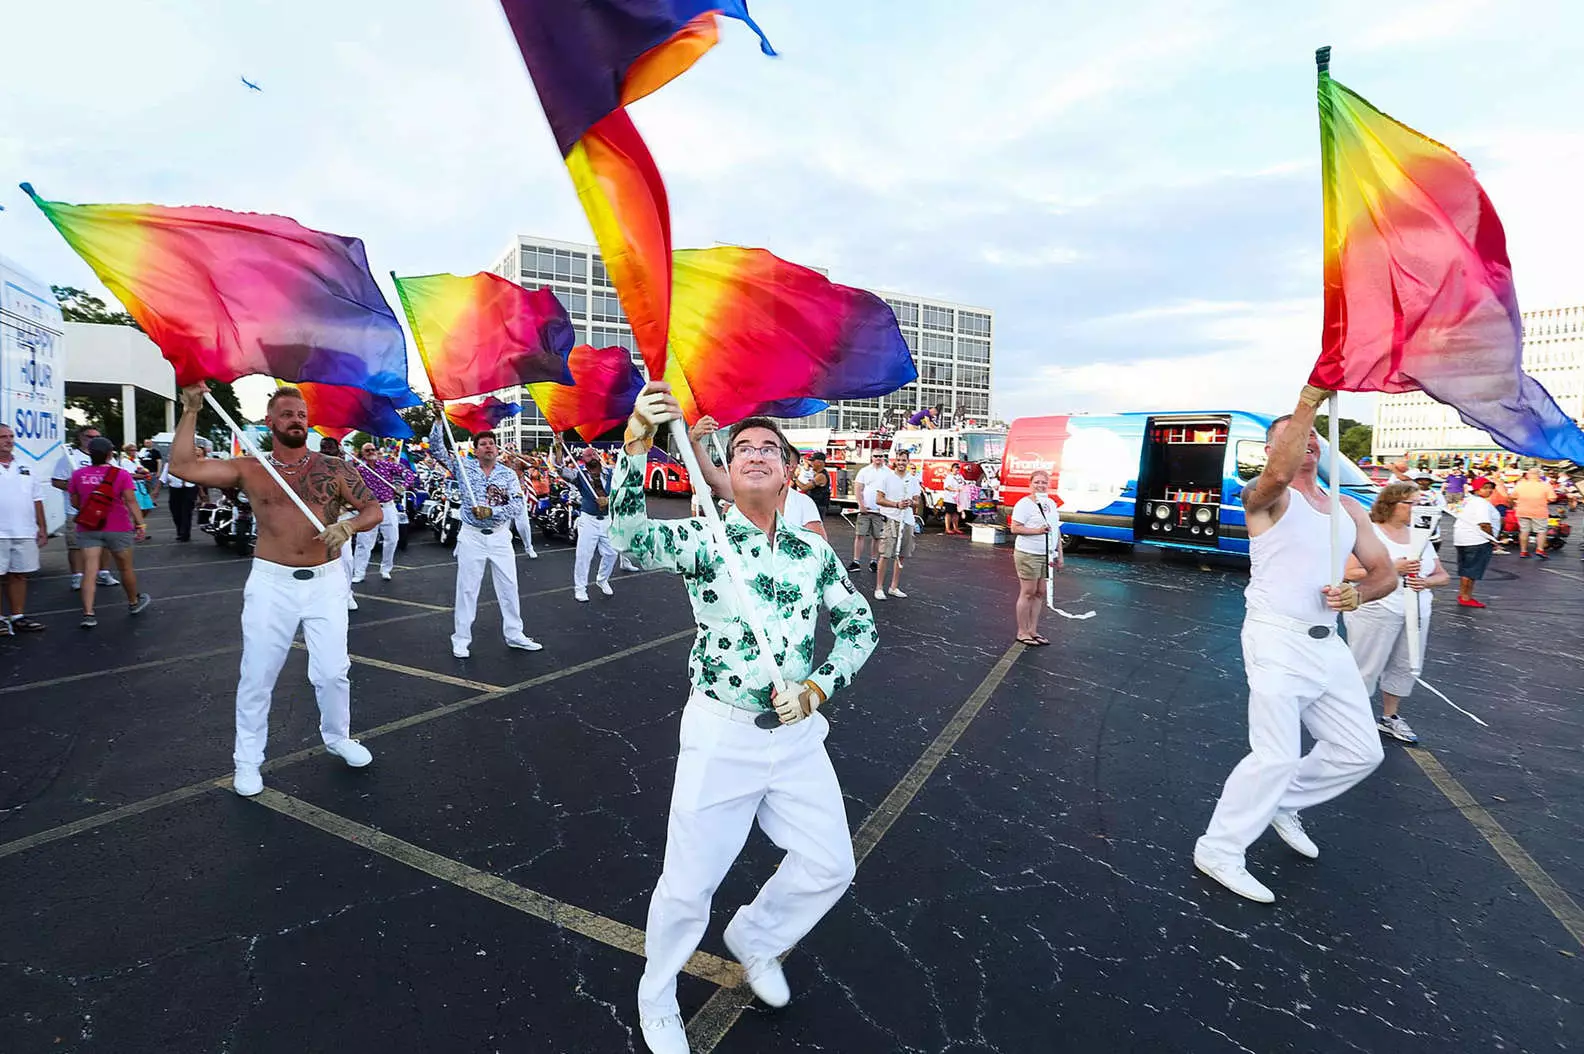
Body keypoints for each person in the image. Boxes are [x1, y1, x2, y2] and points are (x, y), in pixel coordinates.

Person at [611, 381, 876, 1054]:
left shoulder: (811, 551)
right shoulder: (705, 539)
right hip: (720, 733)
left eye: (769, 447)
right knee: (690, 884)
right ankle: (658, 991)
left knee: (830, 864)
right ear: (727, 470)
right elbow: (630, 539)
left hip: (794, 736)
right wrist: (639, 436)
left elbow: (860, 628)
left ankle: (757, 935)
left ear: (791, 471)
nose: (755, 453)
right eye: (742, 447)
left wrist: (817, 689)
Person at [1192, 385, 1396, 904]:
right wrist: (1309, 402)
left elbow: (1385, 575)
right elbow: (1280, 474)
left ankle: (1282, 803)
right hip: (1276, 636)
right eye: (1292, 438)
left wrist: (1357, 592)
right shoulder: (1265, 498)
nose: (1306, 444)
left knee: (1360, 751)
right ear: (1270, 451)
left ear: (1321, 449)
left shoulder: (1347, 508)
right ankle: (1219, 849)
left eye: (1310, 439)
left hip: (1330, 643)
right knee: (1277, 754)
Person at [170, 384, 383, 797]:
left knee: (333, 672)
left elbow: (373, 508)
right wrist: (191, 411)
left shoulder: (333, 467)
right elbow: (182, 467)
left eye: (301, 414)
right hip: (272, 583)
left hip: (325, 582)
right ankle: (247, 762)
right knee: (257, 675)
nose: (296, 420)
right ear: (270, 423)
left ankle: (338, 737)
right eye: (286, 414)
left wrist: (349, 526)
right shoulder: (251, 468)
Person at [1343, 483, 1450, 745]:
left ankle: (1390, 717)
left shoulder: (1420, 536)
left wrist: (1426, 582)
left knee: (1405, 664)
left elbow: (1442, 575)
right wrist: (1393, 568)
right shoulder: (1371, 534)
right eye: (1410, 503)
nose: (1416, 509)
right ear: (1391, 504)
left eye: (1418, 503)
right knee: (1365, 665)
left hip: (1416, 610)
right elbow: (1350, 572)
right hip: (1377, 608)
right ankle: (1350, 720)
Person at [428, 421, 542, 658]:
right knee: (468, 589)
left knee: (509, 586)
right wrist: (439, 420)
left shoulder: (508, 474)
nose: (489, 447)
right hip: (472, 537)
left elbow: (517, 504)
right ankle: (461, 639)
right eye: (483, 444)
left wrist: (493, 513)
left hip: (500, 536)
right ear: (475, 449)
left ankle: (515, 634)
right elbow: (437, 449)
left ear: (497, 448)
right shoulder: (463, 467)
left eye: (492, 443)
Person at [687, 417, 828, 540]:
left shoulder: (803, 503)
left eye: (768, 451)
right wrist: (694, 442)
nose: (757, 458)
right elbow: (712, 476)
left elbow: (821, 549)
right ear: (731, 468)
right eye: (745, 450)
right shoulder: (740, 494)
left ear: (787, 469)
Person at [67, 437, 152, 628]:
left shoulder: (78, 474)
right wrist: (140, 524)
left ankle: (89, 613)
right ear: (109, 454)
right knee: (125, 568)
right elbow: (130, 501)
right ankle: (133, 602)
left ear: (89, 453)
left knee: (89, 570)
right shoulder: (121, 474)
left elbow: (74, 502)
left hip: (89, 527)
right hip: (118, 526)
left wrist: (90, 509)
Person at [52, 426, 118, 590]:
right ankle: (77, 576)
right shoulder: (69, 457)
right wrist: (78, 487)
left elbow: (118, 478)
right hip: (77, 510)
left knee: (105, 543)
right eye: (89, 436)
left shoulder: (108, 457)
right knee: (75, 545)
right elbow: (56, 481)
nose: (93, 439)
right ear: (80, 437)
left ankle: (103, 573)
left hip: (103, 509)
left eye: (97, 436)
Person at [0, 423, 50, 636]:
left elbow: (37, 499)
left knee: (19, 575)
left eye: (11, 436)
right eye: (3, 436)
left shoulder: (26, 465)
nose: (9, 440)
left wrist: (42, 527)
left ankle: (18, 616)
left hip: (24, 531)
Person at [350, 441, 416, 583]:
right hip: (369, 509)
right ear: (363, 454)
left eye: (373, 449)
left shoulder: (386, 465)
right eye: (367, 450)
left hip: (388, 507)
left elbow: (409, 473)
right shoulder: (359, 470)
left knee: (392, 539)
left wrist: (402, 486)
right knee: (364, 542)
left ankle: (386, 569)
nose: (371, 452)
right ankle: (359, 573)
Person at [1009, 468, 1061, 646]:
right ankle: (1022, 631)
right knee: (1028, 592)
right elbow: (1015, 528)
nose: (1040, 485)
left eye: (1044, 482)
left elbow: (1056, 529)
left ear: (1049, 484)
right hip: (1028, 553)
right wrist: (1036, 531)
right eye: (1037, 482)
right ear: (1030, 484)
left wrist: (1059, 554)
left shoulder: (1051, 504)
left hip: (1045, 554)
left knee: (1040, 592)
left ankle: (1033, 630)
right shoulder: (1024, 504)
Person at [560, 447, 617, 602]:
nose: (591, 456)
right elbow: (560, 469)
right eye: (587, 455)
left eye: (593, 453)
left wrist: (608, 500)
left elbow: (620, 493)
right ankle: (580, 589)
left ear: (598, 456)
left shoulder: (611, 473)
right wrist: (559, 448)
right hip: (588, 520)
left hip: (607, 520)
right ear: (583, 460)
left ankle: (602, 579)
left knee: (612, 553)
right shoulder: (580, 476)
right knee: (583, 556)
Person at [874, 449, 919, 600]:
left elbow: (917, 500)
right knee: (885, 554)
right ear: (895, 461)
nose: (901, 463)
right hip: (891, 519)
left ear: (908, 461)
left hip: (907, 521)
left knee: (901, 555)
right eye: (899, 460)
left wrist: (911, 502)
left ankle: (894, 587)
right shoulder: (887, 478)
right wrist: (896, 504)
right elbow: (879, 499)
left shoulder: (912, 479)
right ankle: (879, 588)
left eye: (904, 460)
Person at [1452, 478, 1499, 608]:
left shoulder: (1468, 500)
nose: (1489, 490)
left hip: (1463, 538)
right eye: (1485, 487)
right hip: (1477, 539)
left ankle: (1463, 595)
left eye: (1490, 487)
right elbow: (1484, 523)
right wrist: (1493, 539)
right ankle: (1466, 597)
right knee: (1471, 570)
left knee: (1466, 569)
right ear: (1477, 489)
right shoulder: (1481, 503)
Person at [848, 451, 890, 572]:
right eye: (876, 456)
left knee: (877, 537)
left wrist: (886, 507)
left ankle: (874, 561)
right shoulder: (864, 471)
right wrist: (861, 504)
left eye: (880, 456)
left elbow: (890, 490)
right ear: (871, 457)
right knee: (859, 535)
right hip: (865, 509)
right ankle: (856, 562)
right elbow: (858, 488)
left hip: (880, 510)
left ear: (884, 458)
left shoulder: (888, 473)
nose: (878, 458)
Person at [160, 437, 208, 542]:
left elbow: (196, 478)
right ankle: (179, 530)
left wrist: (201, 493)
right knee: (175, 511)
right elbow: (163, 478)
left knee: (186, 511)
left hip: (190, 489)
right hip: (175, 489)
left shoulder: (193, 463)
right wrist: (155, 491)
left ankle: (185, 534)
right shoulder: (170, 464)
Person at [502, 446, 540, 559]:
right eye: (507, 448)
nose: (509, 449)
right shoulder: (499, 461)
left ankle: (528, 547)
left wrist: (518, 455)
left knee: (523, 524)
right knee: (503, 525)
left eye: (511, 448)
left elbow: (534, 463)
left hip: (518, 494)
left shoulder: (518, 461)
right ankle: (504, 549)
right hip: (503, 496)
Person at [1512, 468, 1557, 560]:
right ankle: (1540, 549)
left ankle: (1523, 551)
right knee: (1541, 531)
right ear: (1539, 475)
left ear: (1528, 475)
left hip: (1522, 510)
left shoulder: (1520, 485)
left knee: (1524, 531)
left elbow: (1513, 496)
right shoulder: (1545, 486)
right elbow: (1553, 498)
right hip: (1539, 511)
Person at [799, 451, 831, 519]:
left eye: (813, 461)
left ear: (819, 462)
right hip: (816, 505)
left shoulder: (821, 476)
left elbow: (804, 488)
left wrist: (794, 478)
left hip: (818, 505)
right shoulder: (818, 474)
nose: (811, 463)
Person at [942, 463, 967, 535]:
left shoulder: (960, 476)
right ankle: (947, 528)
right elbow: (947, 487)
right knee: (949, 513)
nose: (957, 469)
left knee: (956, 513)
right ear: (952, 469)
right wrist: (955, 490)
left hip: (958, 498)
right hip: (950, 498)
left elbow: (963, 484)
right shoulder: (949, 477)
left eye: (958, 468)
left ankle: (956, 528)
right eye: (956, 468)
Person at [138, 438, 163, 504]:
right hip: (144, 473)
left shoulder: (156, 452)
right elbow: (139, 461)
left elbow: (159, 462)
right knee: (146, 488)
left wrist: (159, 472)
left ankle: (153, 501)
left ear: (152, 443)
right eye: (146, 442)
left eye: (149, 442)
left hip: (153, 472)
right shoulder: (142, 451)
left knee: (154, 487)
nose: (147, 443)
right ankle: (147, 501)